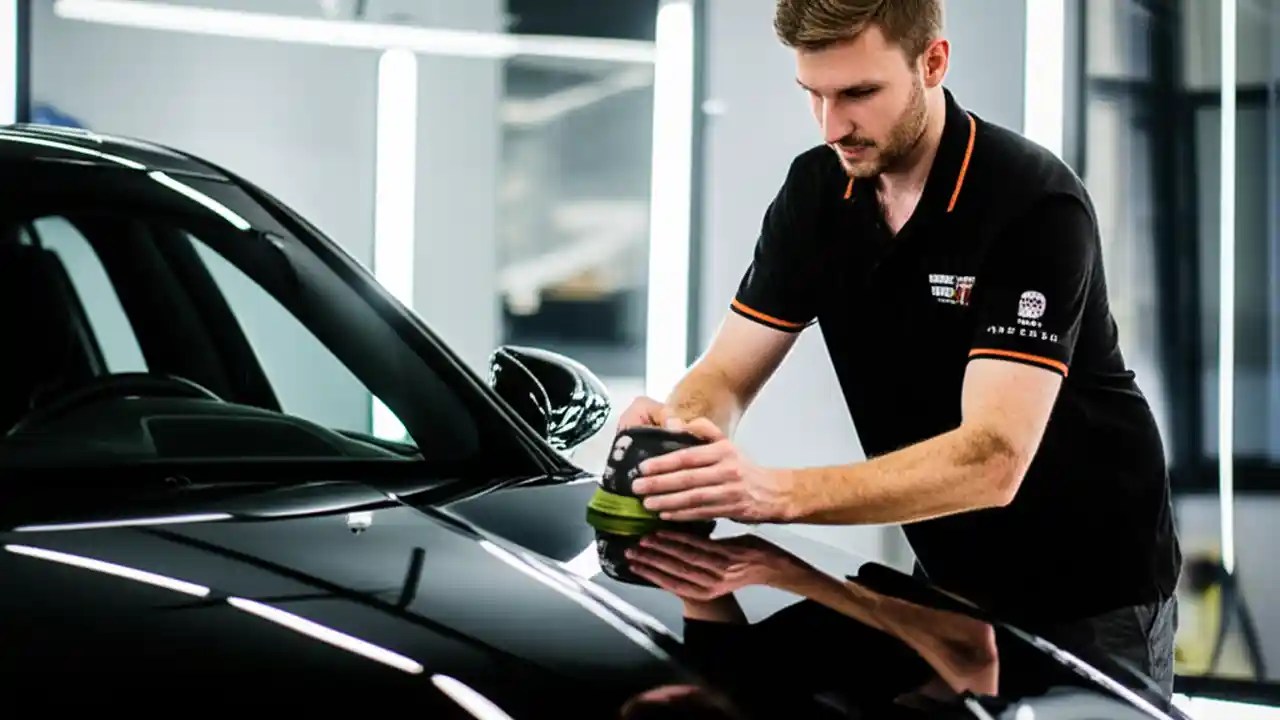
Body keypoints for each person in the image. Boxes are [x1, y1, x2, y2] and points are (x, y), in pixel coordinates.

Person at [618, 0, 1182, 700]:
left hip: (1090, 588)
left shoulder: (1032, 203)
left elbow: (993, 460)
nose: (833, 126)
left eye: (858, 93)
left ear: (933, 62)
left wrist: (773, 494)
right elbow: (727, 374)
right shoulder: (817, 191)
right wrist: (683, 436)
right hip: (948, 576)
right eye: (814, 96)